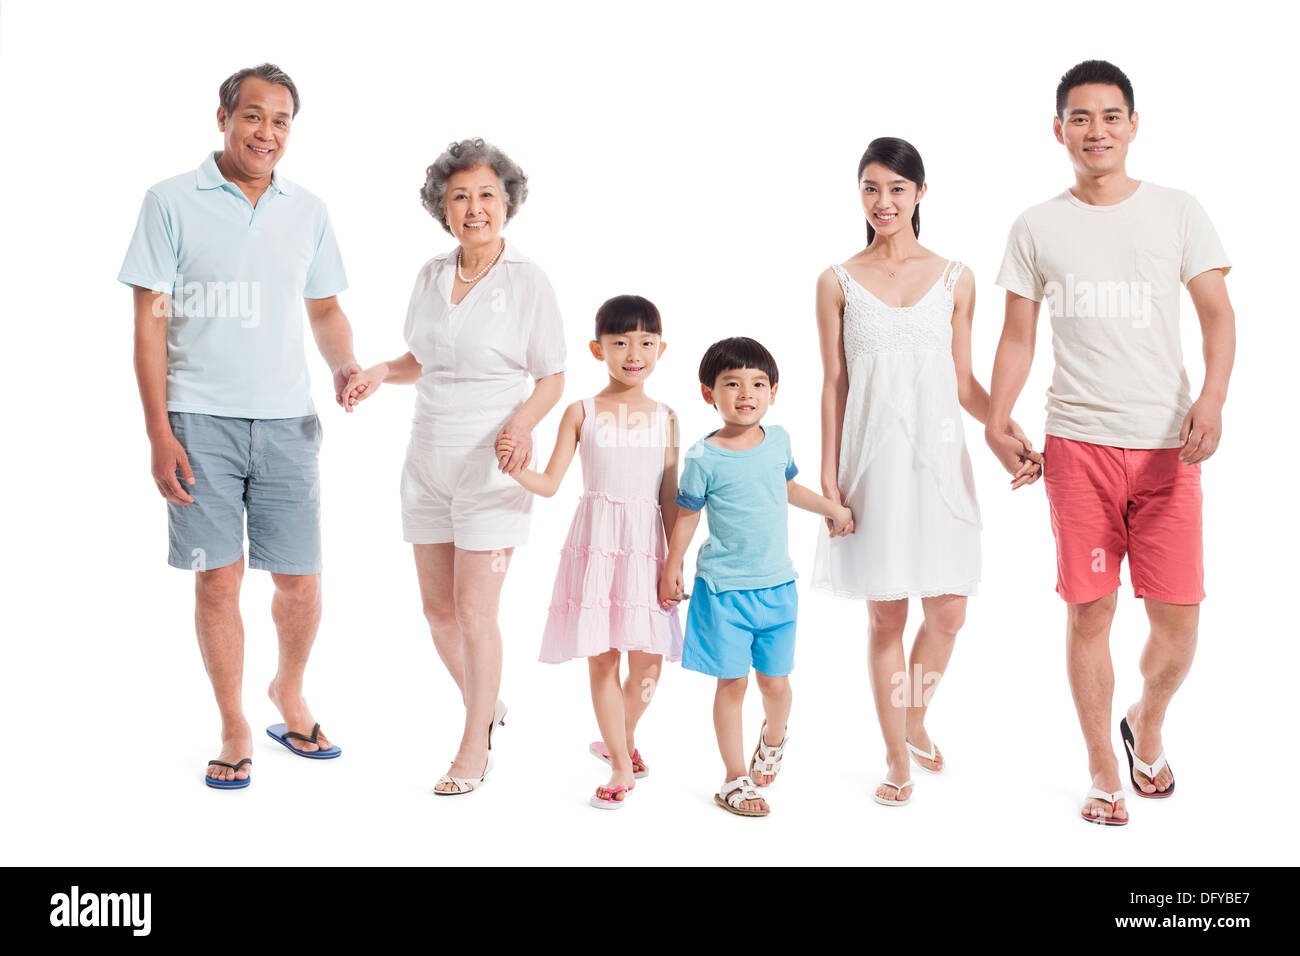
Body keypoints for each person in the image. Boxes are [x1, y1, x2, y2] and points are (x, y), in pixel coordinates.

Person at [987, 60, 1235, 826]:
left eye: (1111, 116)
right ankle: (1102, 764)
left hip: (1167, 449)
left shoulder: (1178, 211)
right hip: (1079, 447)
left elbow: (1219, 316)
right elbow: (1019, 336)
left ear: (1133, 124)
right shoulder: (1037, 224)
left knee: (1179, 621)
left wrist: (1213, 399)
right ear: (1058, 129)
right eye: (1081, 118)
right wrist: (998, 420)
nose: (1096, 130)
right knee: (1089, 611)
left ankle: (1146, 722)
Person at [120, 64, 360, 789]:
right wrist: (159, 432)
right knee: (218, 582)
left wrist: (345, 365)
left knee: (301, 583)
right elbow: (149, 323)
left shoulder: (308, 209)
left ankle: (287, 692)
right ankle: (233, 722)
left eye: (282, 120)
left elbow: (324, 309)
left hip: (290, 420)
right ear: (223, 117)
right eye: (254, 116)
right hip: (199, 421)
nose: (267, 132)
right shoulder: (168, 201)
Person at [811, 137, 1040, 806]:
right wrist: (830, 478)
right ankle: (894, 757)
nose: (884, 202)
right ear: (860, 196)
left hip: (939, 463)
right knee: (886, 618)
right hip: (872, 466)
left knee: (948, 614)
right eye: (871, 189)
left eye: (896, 188)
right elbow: (835, 384)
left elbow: (963, 379)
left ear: (920, 193)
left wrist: (1002, 427)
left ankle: (913, 718)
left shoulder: (956, 278)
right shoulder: (836, 280)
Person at [343, 138, 565, 795]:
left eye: (486, 195)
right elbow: (424, 361)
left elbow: (551, 377)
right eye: (460, 196)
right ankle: (485, 704)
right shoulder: (431, 275)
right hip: (426, 460)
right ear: (443, 207)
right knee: (438, 613)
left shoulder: (528, 281)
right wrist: (383, 371)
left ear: (508, 203)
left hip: (492, 467)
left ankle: (475, 747)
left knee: (476, 613)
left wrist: (521, 428)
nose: (473, 208)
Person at [496, 295, 683, 809]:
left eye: (645, 342)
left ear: (661, 348)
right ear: (597, 349)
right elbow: (552, 481)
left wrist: (676, 560)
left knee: (649, 661)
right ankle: (622, 763)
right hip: (597, 545)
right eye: (620, 342)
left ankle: (617, 738)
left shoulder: (667, 416)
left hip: (647, 547)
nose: (633, 353)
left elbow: (670, 494)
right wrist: (515, 467)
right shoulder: (582, 412)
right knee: (604, 658)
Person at [659, 337, 852, 816]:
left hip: (777, 588)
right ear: (710, 394)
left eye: (757, 383)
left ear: (773, 391)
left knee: (775, 685)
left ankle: (774, 736)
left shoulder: (779, 440)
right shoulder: (704, 458)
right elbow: (687, 516)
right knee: (732, 685)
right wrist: (672, 565)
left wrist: (830, 508)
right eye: (732, 384)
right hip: (722, 591)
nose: (746, 393)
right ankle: (733, 778)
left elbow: (786, 488)